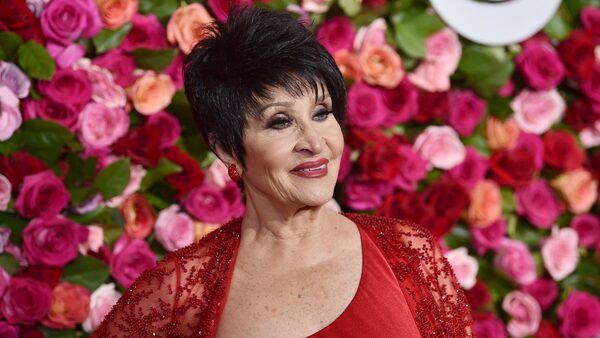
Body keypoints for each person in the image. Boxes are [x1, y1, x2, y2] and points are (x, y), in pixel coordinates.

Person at [93, 7, 473, 338]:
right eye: (279, 122)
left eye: (321, 113)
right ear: (226, 149)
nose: (314, 141)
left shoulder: (408, 254)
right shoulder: (181, 293)